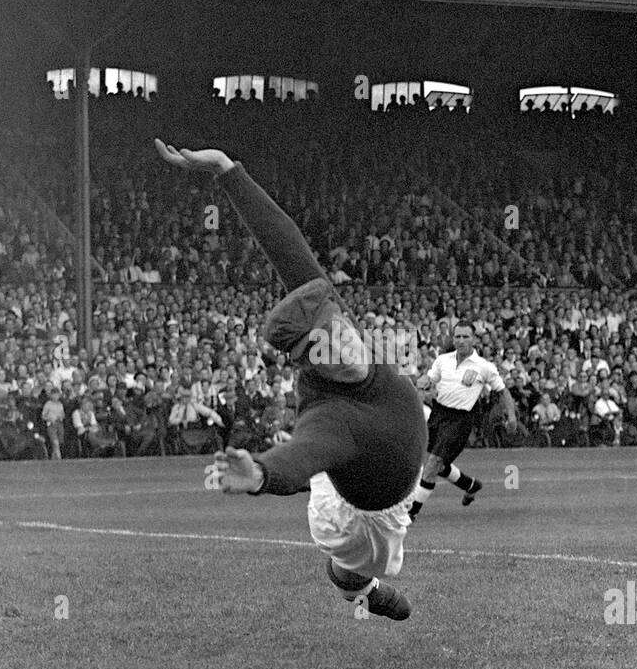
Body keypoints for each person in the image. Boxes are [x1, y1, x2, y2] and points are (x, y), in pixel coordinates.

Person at [154, 138, 427, 621]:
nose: (346, 349)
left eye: (342, 334)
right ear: (311, 363)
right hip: (359, 514)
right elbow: (300, 455)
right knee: (354, 564)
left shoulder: (338, 324)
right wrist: (260, 473)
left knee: (329, 463)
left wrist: (227, 171)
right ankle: (359, 591)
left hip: (385, 462)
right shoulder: (330, 416)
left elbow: (284, 242)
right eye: (327, 350)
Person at [408, 322, 516, 520]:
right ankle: (470, 485)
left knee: (433, 463)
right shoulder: (442, 360)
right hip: (438, 414)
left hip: (460, 419)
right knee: (437, 465)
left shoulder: (484, 367)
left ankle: (411, 513)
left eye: (465, 337)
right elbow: (431, 378)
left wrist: (512, 416)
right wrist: (424, 381)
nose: (461, 341)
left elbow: (502, 391)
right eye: (457, 336)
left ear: (473, 339)